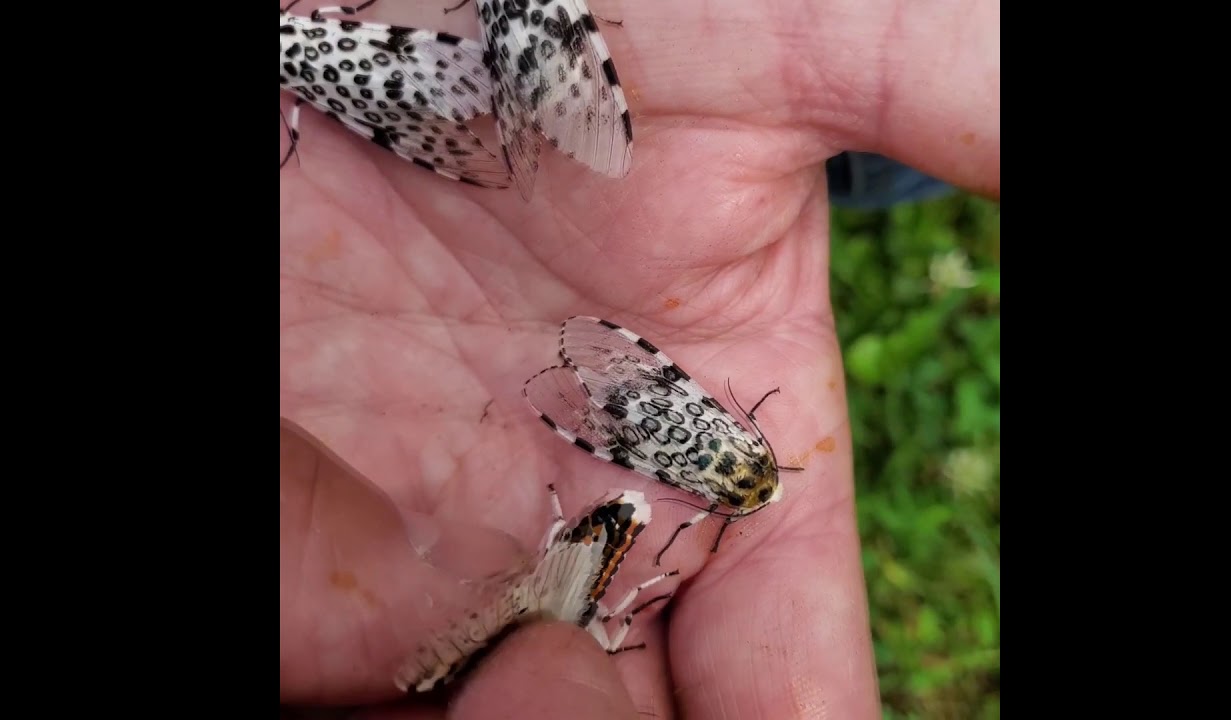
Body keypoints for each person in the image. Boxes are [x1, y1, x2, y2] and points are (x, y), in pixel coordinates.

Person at [279, 0, 999, 717]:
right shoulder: (726, 482)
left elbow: (703, 405)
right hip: (641, 421)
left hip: (650, 405)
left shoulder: (746, 447)